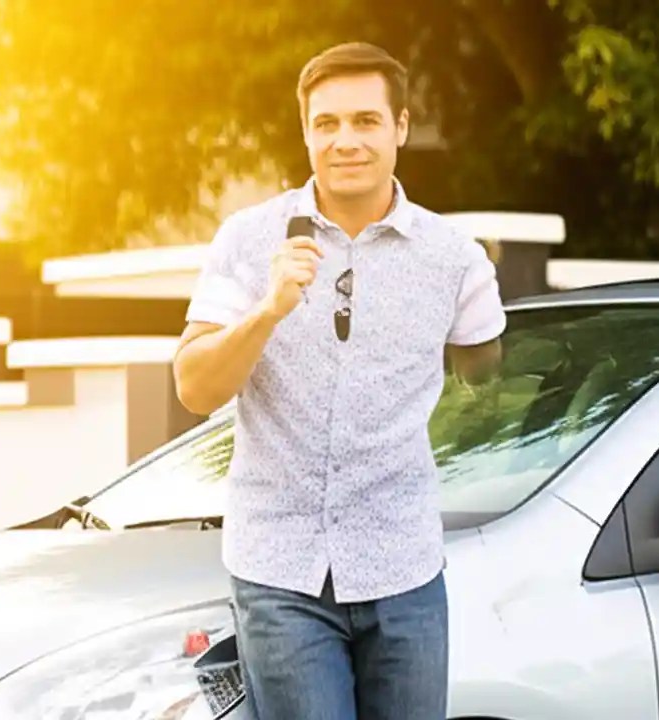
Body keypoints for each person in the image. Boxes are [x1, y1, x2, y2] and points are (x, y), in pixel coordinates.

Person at [173, 40, 506, 720]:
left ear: (401, 128)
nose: (345, 141)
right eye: (326, 124)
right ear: (305, 132)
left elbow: (487, 376)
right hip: (280, 571)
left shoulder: (454, 259)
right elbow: (196, 389)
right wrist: (270, 310)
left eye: (365, 121)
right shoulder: (248, 239)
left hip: (404, 567)